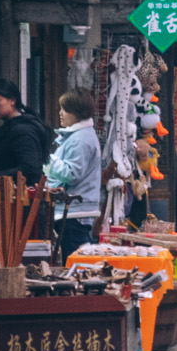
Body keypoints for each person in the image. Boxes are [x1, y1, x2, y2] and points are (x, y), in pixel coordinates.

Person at [44, 90, 101, 260]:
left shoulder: (81, 139)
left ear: (77, 112)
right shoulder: (80, 136)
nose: (60, 113)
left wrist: (46, 160)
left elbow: (72, 173)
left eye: (64, 109)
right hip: (74, 212)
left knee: (74, 260)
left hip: (74, 213)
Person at [0, 77, 51, 185]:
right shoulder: (11, 128)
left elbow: (30, 169)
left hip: (22, 198)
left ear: (12, 100)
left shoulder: (22, 130)